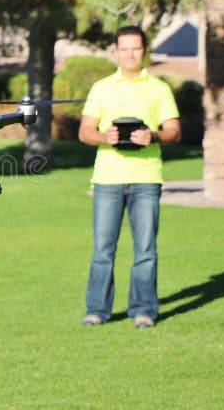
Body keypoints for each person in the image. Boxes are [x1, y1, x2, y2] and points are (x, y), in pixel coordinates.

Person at [77, 25, 181, 329]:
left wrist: (154, 136)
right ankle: (97, 310)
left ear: (144, 50)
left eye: (135, 48)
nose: (130, 53)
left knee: (146, 250)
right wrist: (104, 137)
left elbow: (174, 131)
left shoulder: (159, 89)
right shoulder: (101, 88)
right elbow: (85, 132)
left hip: (147, 179)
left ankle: (144, 310)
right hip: (108, 180)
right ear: (116, 51)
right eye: (124, 48)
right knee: (102, 250)